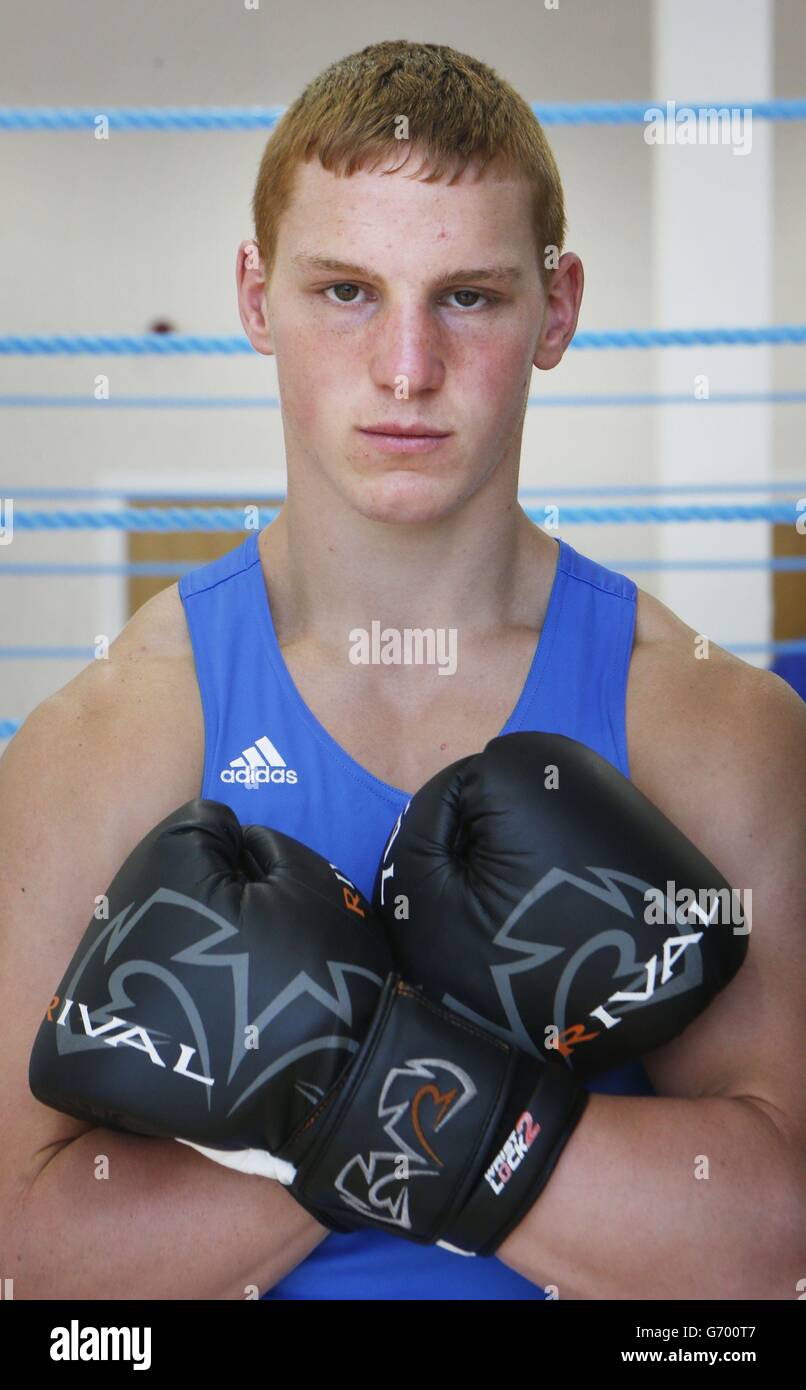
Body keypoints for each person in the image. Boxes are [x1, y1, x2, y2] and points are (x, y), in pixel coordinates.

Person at [1, 39, 803, 1302]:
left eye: (468, 296)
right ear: (258, 300)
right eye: (346, 292)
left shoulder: (704, 722)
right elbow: (30, 1247)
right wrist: (402, 1075)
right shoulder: (113, 731)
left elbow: (772, 1238)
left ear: (559, 306)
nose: (405, 369)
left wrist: (348, 1079)